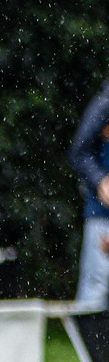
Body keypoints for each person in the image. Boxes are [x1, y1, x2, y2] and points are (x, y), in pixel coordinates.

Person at [71, 75, 109, 308]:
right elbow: (78, 152)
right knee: (95, 289)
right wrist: (100, 180)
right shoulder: (104, 104)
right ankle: (89, 344)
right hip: (103, 215)